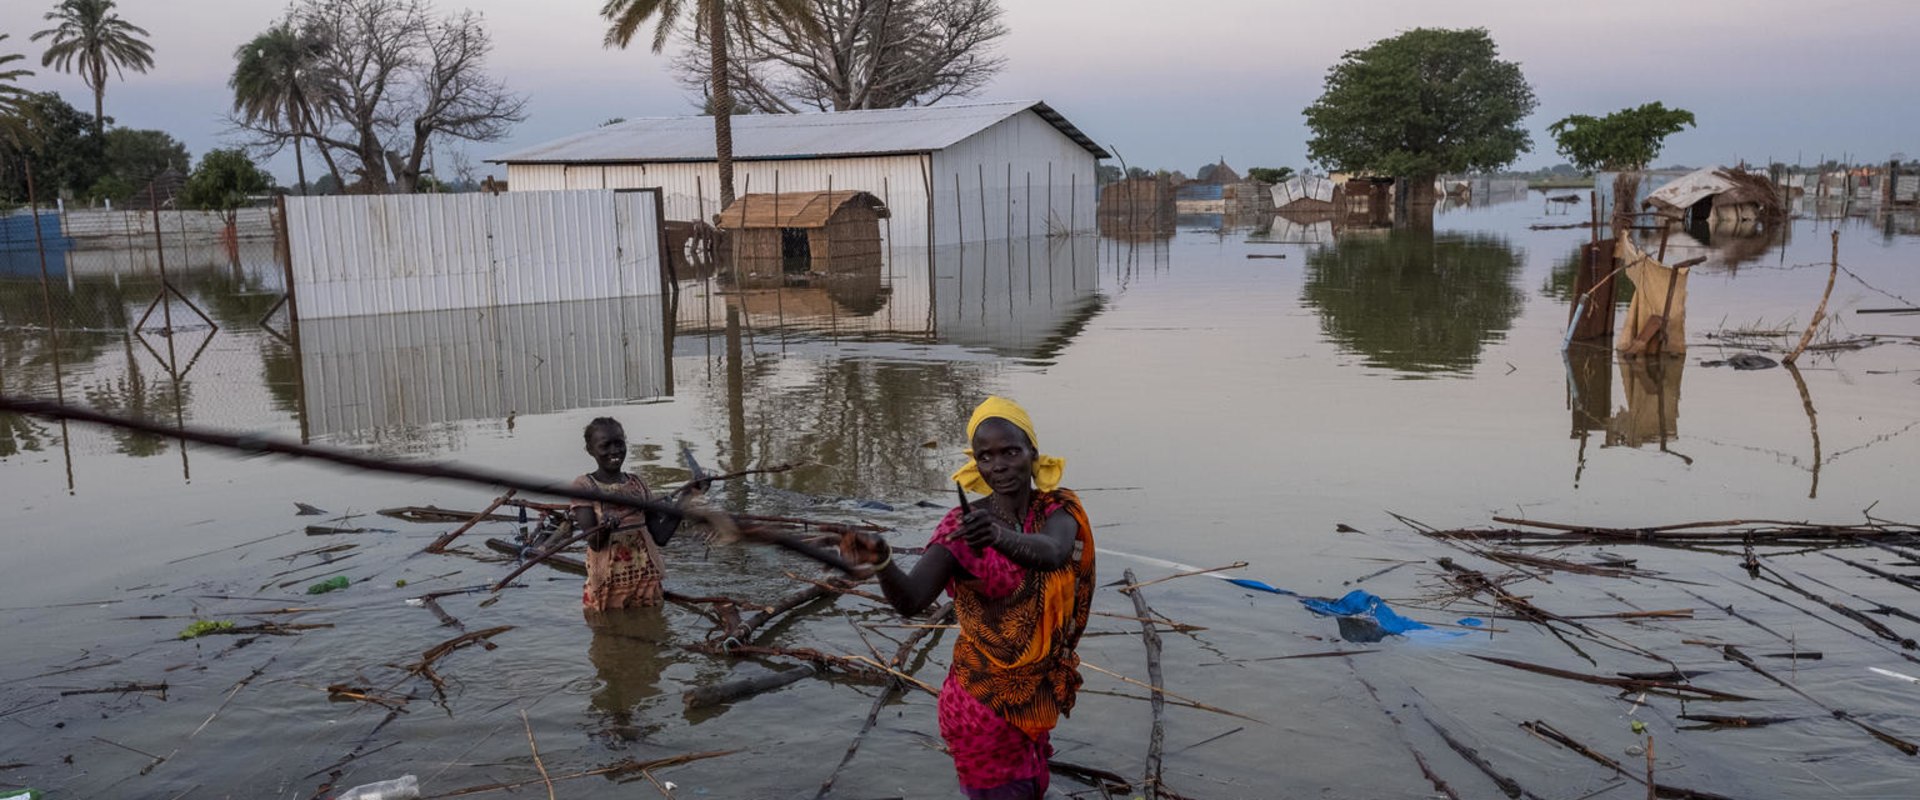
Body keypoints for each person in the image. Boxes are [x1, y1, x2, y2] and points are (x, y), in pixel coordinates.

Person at [844, 397, 1096, 800]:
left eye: (1010, 451)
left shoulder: (1056, 508)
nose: (999, 465)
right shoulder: (959, 529)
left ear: (1032, 451)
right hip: (981, 709)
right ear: (976, 464)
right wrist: (882, 562)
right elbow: (911, 600)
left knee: (1032, 788)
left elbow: (1053, 552)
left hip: (1033, 699)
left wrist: (999, 536)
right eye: (986, 456)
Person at [570, 417, 703, 611]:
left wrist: (687, 495)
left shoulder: (638, 484)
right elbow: (595, 542)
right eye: (605, 445)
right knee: (607, 637)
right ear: (590, 450)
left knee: (651, 630)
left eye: (619, 443)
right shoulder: (584, 486)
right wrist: (606, 526)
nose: (614, 451)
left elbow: (661, 536)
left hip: (646, 579)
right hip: (608, 582)